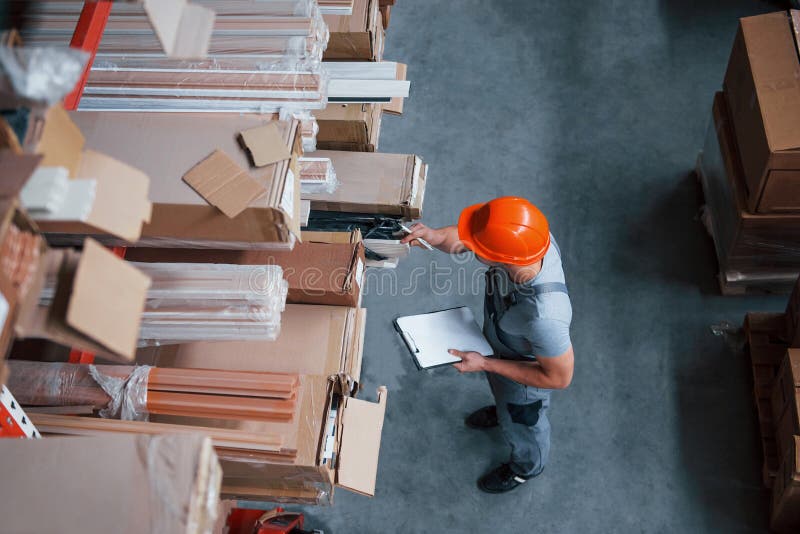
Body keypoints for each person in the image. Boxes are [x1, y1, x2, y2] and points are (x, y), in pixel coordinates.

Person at [400, 196, 574, 494]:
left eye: (479, 248)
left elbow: (558, 378)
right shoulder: (528, 238)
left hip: (526, 381)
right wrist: (435, 236)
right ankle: (501, 409)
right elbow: (468, 238)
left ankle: (525, 468)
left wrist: (485, 363)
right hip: (502, 346)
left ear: (502, 259)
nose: (470, 246)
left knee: (523, 424)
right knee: (503, 398)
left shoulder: (545, 317)